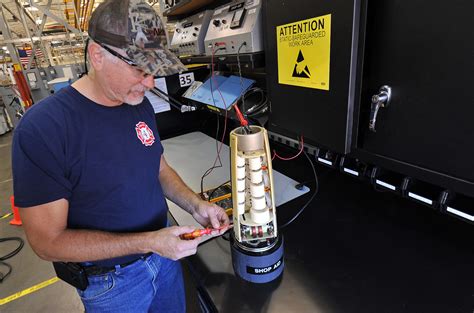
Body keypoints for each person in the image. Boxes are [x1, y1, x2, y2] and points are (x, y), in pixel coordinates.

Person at [11, 0, 229, 312]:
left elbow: (158, 168)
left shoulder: (137, 104)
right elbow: (47, 242)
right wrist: (151, 241)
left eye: (153, 70)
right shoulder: (44, 129)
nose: (151, 83)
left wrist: (196, 205)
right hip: (113, 286)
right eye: (140, 69)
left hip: (165, 260)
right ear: (97, 56)